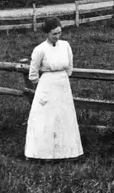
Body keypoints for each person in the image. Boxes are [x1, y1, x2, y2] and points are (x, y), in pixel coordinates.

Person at [24, 17, 83, 161]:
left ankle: (67, 153)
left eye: (59, 33)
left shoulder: (65, 46)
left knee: (64, 118)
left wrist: (62, 79)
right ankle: (43, 154)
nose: (57, 36)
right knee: (46, 120)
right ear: (47, 33)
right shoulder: (40, 50)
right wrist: (43, 86)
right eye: (54, 34)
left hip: (63, 85)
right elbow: (33, 74)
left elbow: (69, 67)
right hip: (47, 86)